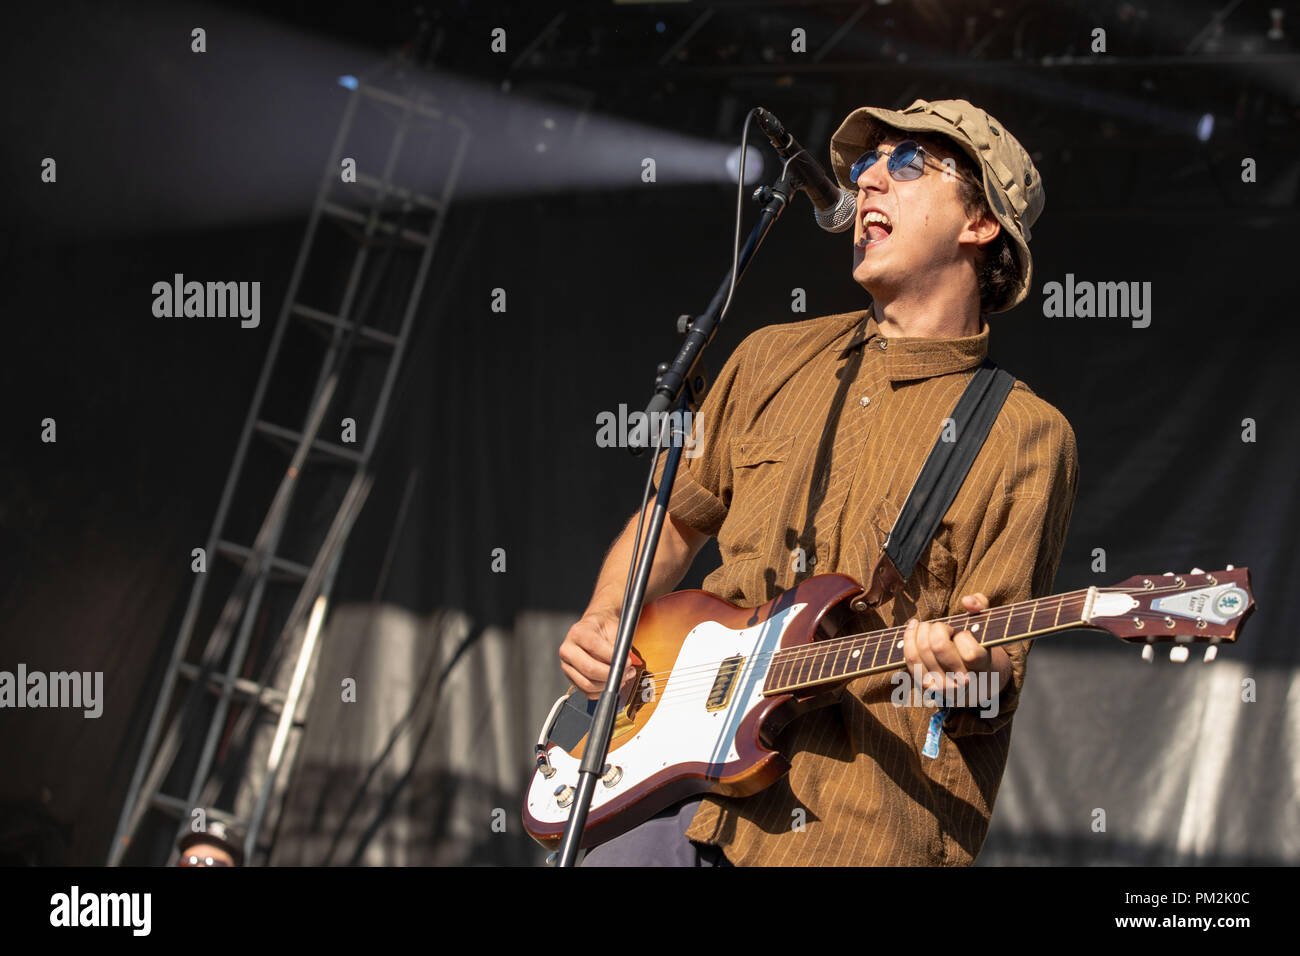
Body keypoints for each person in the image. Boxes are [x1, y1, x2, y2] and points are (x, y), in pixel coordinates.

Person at [559, 98, 1078, 866]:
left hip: (854, 829)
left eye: (905, 163)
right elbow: (673, 520)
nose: (868, 179)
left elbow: (991, 690)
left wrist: (961, 672)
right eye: (867, 164)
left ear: (980, 223)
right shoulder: (772, 357)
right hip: (671, 794)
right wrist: (608, 619)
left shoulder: (1025, 435)